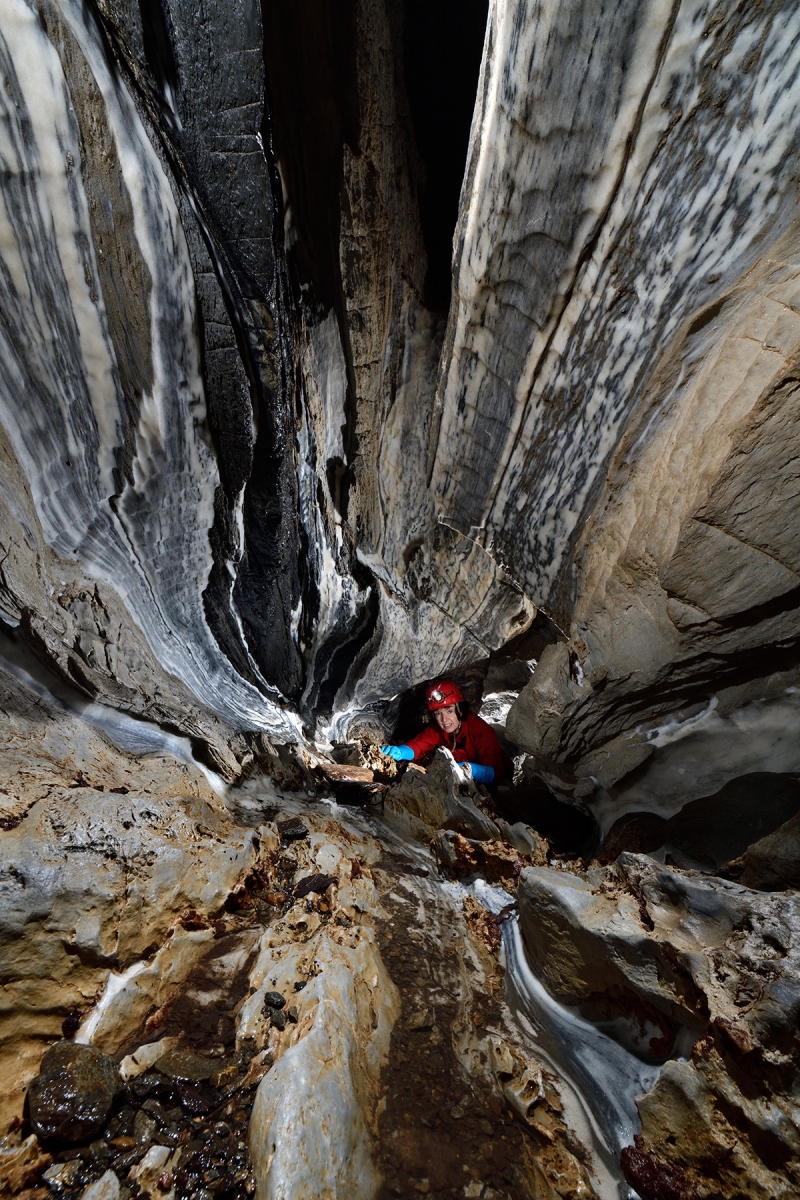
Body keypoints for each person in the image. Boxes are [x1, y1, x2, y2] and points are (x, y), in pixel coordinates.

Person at [381, 680, 509, 784]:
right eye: (438, 714)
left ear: (459, 710)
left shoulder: (482, 731)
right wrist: (400, 751)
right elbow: (419, 745)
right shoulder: (438, 729)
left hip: (499, 782)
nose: (444, 720)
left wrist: (466, 768)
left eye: (449, 711)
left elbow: (496, 773)